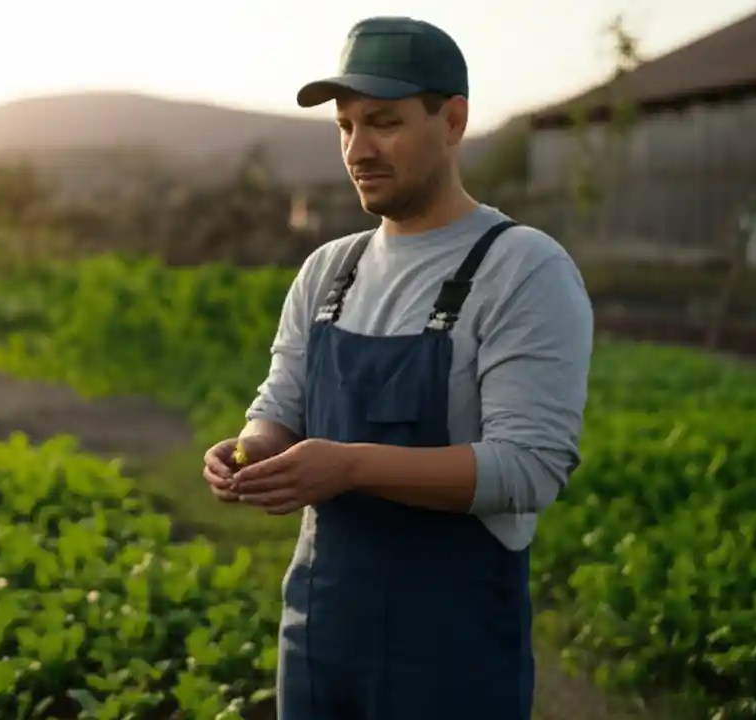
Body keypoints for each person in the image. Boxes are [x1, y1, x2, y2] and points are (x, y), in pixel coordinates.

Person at [201, 15, 594, 720]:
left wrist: (350, 466)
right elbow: (280, 402)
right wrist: (253, 448)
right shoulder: (329, 270)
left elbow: (529, 468)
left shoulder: (522, 268)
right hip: (320, 638)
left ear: (453, 120)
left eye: (383, 122)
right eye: (345, 126)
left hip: (451, 656)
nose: (358, 148)